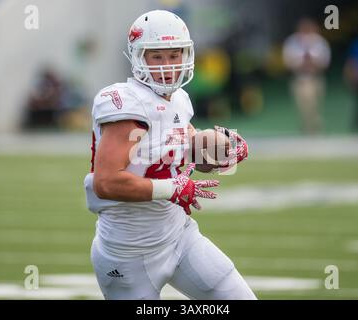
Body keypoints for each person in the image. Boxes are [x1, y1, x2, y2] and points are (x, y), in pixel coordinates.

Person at [83, 10, 255, 300]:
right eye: (157, 56)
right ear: (138, 58)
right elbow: (107, 183)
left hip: (179, 236)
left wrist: (222, 152)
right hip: (128, 252)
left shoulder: (179, 100)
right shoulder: (126, 103)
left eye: (175, 55)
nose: (167, 66)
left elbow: (185, 149)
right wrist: (172, 188)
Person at [283, 18, 331, 135]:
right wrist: (302, 63)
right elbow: (288, 62)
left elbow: (325, 62)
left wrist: (313, 62)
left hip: (316, 78)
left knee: (314, 106)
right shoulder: (292, 42)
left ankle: (314, 130)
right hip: (300, 79)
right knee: (304, 107)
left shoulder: (320, 42)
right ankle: (307, 130)